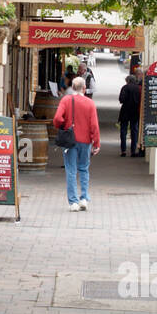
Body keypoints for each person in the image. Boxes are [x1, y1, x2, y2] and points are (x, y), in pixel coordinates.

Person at [53, 76, 100, 212]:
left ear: (72, 87)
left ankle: (73, 202)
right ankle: (84, 198)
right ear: (84, 88)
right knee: (84, 169)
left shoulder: (66, 100)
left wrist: (61, 125)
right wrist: (96, 143)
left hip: (70, 141)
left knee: (71, 170)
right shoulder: (90, 103)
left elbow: (57, 118)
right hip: (86, 141)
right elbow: (94, 125)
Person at [118, 72, 142, 156]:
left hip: (125, 111)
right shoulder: (139, 88)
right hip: (135, 111)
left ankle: (123, 150)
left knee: (123, 130)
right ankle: (133, 150)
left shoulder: (125, 87)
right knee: (134, 130)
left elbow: (121, 99)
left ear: (127, 81)